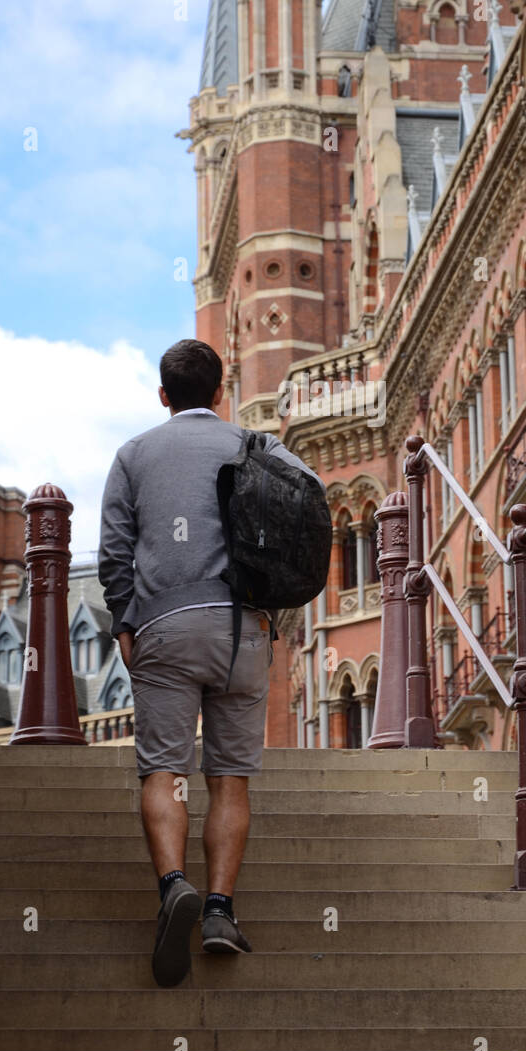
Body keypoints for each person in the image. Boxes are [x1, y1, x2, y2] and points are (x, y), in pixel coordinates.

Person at [98, 339, 322, 987]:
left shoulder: (134, 454)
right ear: (220, 393)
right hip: (242, 630)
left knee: (167, 768)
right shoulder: (257, 445)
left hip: (164, 627)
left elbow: (114, 551)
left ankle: (174, 888)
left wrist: (124, 619)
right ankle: (220, 910)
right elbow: (308, 503)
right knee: (229, 778)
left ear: (163, 395)